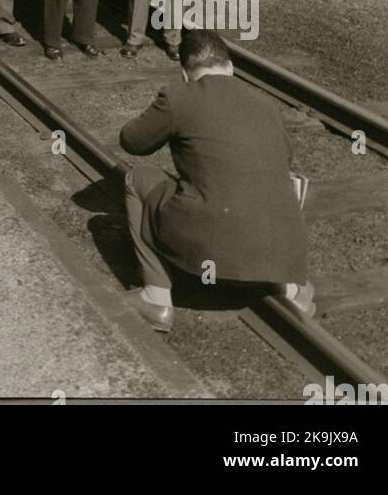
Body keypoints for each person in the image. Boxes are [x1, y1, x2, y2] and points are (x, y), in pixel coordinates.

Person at [119, 29, 314, 332]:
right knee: (262, 187)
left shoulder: (178, 95)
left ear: (185, 73)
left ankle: (156, 298)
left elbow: (131, 141)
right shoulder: (265, 104)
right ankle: (289, 292)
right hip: (284, 252)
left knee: (137, 177)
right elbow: (285, 160)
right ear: (230, 67)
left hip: (211, 243)